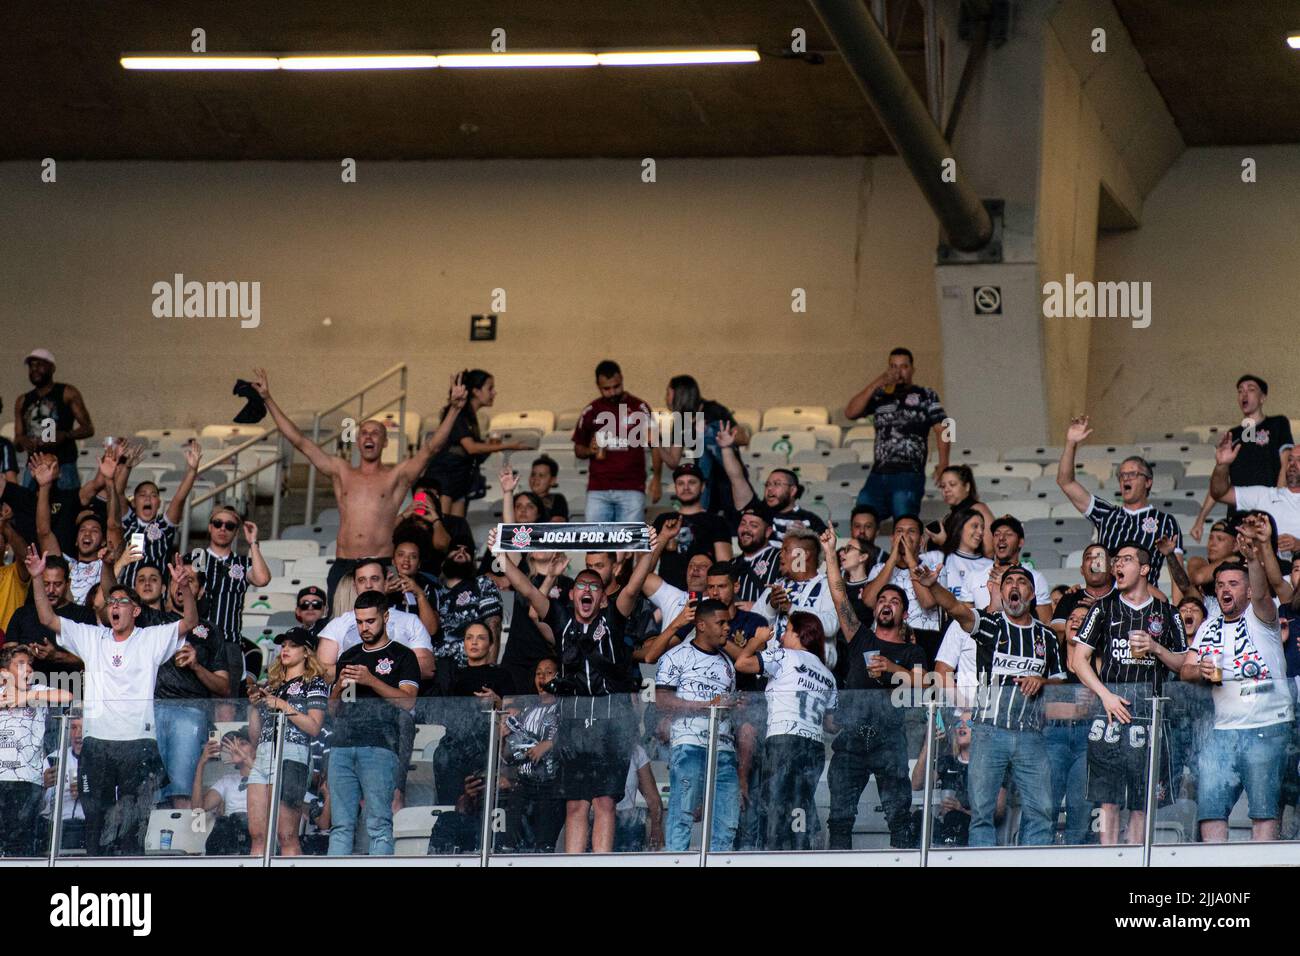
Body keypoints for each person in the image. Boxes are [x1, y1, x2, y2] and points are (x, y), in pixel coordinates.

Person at [489, 523, 659, 854]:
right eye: (581, 585)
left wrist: (650, 550)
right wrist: (501, 556)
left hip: (610, 724)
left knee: (605, 802)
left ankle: (601, 863)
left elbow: (634, 586)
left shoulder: (614, 619)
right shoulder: (561, 621)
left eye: (594, 587)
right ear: (572, 594)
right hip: (571, 725)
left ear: (602, 598)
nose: (587, 590)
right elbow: (527, 589)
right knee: (575, 805)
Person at [25, 547, 199, 856]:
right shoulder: (92, 636)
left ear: (135, 611)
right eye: (111, 602)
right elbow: (47, 617)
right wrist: (38, 578)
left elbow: (189, 622)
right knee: (96, 823)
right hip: (97, 743)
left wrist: (183, 586)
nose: (115, 606)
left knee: (133, 826)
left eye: (122, 602)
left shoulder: (151, 638)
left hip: (139, 742)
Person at [251, 367, 466, 601]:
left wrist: (454, 409)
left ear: (385, 442)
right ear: (357, 441)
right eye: (364, 433)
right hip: (344, 565)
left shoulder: (396, 476)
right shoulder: (340, 471)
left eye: (376, 433)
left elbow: (431, 448)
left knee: (378, 631)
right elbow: (300, 441)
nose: (369, 437)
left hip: (379, 565)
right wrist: (268, 399)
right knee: (342, 631)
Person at [911, 562, 1067, 846]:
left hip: (1031, 734)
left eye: (1022, 582)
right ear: (1002, 591)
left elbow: (1059, 682)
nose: (1015, 585)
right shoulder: (990, 624)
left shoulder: (1046, 636)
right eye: (1009, 581)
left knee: (1041, 812)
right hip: (988, 730)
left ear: (1032, 594)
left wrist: (1042, 682)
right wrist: (933, 585)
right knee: (981, 813)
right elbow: (957, 609)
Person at [1070, 543, 1185, 845]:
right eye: (1116, 560)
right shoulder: (1103, 607)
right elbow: (1077, 660)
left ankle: (1136, 859)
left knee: (1141, 800)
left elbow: (1185, 664)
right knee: (1108, 799)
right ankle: (1110, 860)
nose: (1117, 565)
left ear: (1145, 569)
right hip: (1109, 710)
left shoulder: (1167, 613)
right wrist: (1104, 695)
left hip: (1150, 713)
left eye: (1126, 560)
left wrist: (1157, 648)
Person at [820, 530, 925, 849]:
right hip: (850, 737)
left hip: (889, 738)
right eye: (882, 599)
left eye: (894, 601)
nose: (886, 604)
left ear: (905, 614)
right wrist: (829, 553)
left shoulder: (912, 652)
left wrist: (892, 669)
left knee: (899, 820)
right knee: (839, 820)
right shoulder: (861, 637)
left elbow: (921, 684)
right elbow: (840, 597)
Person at [1181, 553, 1293, 842]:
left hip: (1266, 727)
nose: (1225, 590)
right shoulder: (1208, 625)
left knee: (1263, 812)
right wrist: (1199, 670)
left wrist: (1254, 557)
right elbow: (1185, 670)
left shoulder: (1263, 618)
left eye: (1233, 583)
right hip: (1221, 730)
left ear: (1250, 590)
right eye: (1219, 585)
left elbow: (1264, 595)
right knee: (1211, 811)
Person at [734, 610, 838, 850]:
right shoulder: (827, 675)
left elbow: (742, 663)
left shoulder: (784, 656)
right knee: (801, 806)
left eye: (786, 630)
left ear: (800, 633)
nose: (781, 636)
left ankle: (774, 858)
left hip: (784, 740)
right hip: (814, 746)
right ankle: (800, 855)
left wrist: (758, 640)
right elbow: (831, 725)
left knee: (775, 806)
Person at [326, 590, 420, 856]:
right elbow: (334, 710)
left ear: (386, 617)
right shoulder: (349, 655)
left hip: (380, 747)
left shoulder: (404, 656)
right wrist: (337, 689)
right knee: (340, 825)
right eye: (359, 621)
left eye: (370, 621)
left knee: (378, 824)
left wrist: (371, 681)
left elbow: (408, 702)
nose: (364, 627)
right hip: (342, 745)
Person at [654, 598, 740, 852]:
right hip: (689, 745)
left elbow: (726, 705)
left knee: (727, 821)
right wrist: (706, 706)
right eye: (720, 623)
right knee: (682, 813)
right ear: (701, 625)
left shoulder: (728, 664)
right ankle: (675, 861)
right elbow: (662, 700)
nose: (727, 628)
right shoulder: (675, 656)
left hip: (724, 748)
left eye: (728, 623)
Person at [1056, 416, 1182, 585]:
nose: (1126, 479)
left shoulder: (1166, 521)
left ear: (1148, 482)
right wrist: (1071, 442)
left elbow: (1178, 573)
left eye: (1132, 474)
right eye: (1122, 475)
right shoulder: (1106, 513)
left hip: (1144, 602)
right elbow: (1066, 482)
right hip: (1105, 600)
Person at [246, 627, 328, 857]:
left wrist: (283, 706)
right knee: (257, 834)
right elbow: (255, 736)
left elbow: (314, 726)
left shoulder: (315, 682)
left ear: (306, 652)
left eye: (293, 645)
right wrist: (254, 706)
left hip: (293, 755)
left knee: (286, 835)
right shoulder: (272, 685)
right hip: (263, 754)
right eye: (283, 645)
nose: (285, 649)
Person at [844, 348, 951, 520]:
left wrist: (944, 462)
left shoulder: (926, 395)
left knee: (905, 523)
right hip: (878, 473)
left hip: (909, 473)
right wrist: (878, 381)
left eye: (903, 366)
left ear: (912, 369)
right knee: (862, 517)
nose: (898, 372)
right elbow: (850, 413)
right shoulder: (879, 395)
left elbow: (946, 426)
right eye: (893, 367)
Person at [1192, 375, 1293, 541]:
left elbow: (1285, 462)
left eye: (1251, 390)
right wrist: (1200, 519)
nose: (1244, 394)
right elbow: (1219, 480)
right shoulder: (1234, 435)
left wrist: (1278, 501)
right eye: (1240, 391)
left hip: (1267, 511)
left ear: (1262, 397)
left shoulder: (1277, 423)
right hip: (1238, 512)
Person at [419, 369, 530, 518]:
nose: (494, 393)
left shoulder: (472, 417)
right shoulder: (459, 414)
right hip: (444, 478)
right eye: (490, 388)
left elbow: (474, 455)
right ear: (476, 391)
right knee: (442, 526)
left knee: (457, 529)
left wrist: (490, 446)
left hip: (460, 480)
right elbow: (471, 448)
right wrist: (508, 446)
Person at [0, 644, 73, 856]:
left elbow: (67, 695)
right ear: (5, 671)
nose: (29, 669)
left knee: (20, 847)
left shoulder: (37, 691)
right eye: (20, 664)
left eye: (30, 665)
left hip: (28, 781)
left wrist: (25, 698)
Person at [316, 559, 435, 684]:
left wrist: (373, 675)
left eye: (375, 578)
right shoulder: (338, 624)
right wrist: (365, 675)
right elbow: (322, 671)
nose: (368, 585)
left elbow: (427, 669)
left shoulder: (410, 621)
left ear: (385, 583)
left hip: (397, 698)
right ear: (354, 586)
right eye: (361, 580)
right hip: (351, 697)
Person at [572, 359, 654, 523]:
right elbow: (578, 449)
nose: (612, 392)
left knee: (629, 545)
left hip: (632, 487)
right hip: (598, 489)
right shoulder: (591, 410)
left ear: (622, 379)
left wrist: (657, 478)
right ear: (598, 386)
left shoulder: (639, 407)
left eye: (616, 386)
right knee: (596, 543)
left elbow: (656, 445)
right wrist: (590, 451)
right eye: (606, 389)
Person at [651, 374, 747, 513]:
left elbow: (744, 438)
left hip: (728, 478)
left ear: (680, 395)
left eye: (668, 393)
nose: (665, 398)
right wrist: (656, 441)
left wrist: (720, 436)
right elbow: (673, 461)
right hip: (705, 482)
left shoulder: (713, 410)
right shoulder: (680, 422)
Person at [498, 657, 565, 853]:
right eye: (538, 673)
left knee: (545, 844)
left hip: (552, 786)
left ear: (559, 676)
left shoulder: (566, 708)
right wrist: (502, 738)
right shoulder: (525, 711)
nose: (542, 677)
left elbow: (574, 736)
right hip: (523, 784)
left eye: (548, 672)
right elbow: (510, 756)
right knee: (510, 843)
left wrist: (550, 744)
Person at [716, 424, 827, 541]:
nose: (770, 489)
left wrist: (806, 539)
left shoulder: (810, 520)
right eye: (767, 484)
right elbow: (736, 478)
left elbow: (827, 551)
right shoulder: (756, 512)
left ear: (792, 490)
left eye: (777, 484)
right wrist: (726, 448)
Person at [116, 440, 201, 588]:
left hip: (156, 597)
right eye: (142, 495)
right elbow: (117, 493)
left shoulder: (164, 526)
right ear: (134, 502)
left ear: (159, 503)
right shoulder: (129, 521)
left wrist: (192, 470)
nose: (148, 498)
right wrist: (127, 466)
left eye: (153, 495)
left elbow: (179, 498)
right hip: (128, 593)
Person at [751, 528, 841, 668]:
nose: (780, 555)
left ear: (803, 555)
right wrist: (772, 606)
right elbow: (753, 626)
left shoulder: (827, 585)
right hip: (773, 672)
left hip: (813, 672)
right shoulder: (776, 586)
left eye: (786, 550)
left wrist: (791, 607)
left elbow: (831, 626)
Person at [861, 516, 944, 663]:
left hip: (924, 640)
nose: (904, 536)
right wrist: (892, 559)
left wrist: (910, 559)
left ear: (921, 540)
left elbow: (928, 602)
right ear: (893, 539)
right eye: (900, 531)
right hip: (885, 639)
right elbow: (868, 601)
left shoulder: (933, 568)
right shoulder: (879, 569)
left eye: (911, 531)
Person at [1210, 433, 1300, 559]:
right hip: (1264, 574)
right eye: (1290, 459)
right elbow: (1220, 493)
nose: (1292, 464)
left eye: (1299, 460)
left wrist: (1299, 545)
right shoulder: (1265, 495)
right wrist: (1222, 465)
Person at [14, 349, 93, 491]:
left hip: (63, 465)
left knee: (67, 508)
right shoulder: (22, 400)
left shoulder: (67, 392)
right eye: (31, 366)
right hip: (33, 467)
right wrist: (23, 441)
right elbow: (17, 441)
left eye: (40, 364)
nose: (34, 369)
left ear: (52, 368)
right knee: (28, 509)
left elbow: (88, 428)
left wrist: (65, 435)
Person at [651, 463, 732, 590]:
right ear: (675, 488)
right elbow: (646, 566)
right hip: (666, 595)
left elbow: (725, 568)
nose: (686, 487)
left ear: (703, 487)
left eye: (692, 482)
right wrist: (664, 537)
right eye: (681, 483)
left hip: (704, 594)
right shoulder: (662, 519)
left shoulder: (717, 521)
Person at [197, 506, 271, 642]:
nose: (222, 528)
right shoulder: (196, 556)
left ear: (236, 532)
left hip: (229, 640)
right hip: (197, 639)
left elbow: (262, 579)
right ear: (210, 527)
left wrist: (253, 542)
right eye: (218, 523)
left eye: (230, 526)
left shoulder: (243, 563)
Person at [190, 728, 255, 855]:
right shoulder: (227, 780)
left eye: (242, 743)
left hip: (255, 831)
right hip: (230, 834)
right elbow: (197, 808)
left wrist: (247, 759)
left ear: (255, 749)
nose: (236, 748)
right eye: (232, 745)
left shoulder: (266, 775)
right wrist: (201, 763)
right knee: (223, 826)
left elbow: (269, 789)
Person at [1049, 544, 1115, 638]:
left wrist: (1099, 612)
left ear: (1111, 568)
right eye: (1088, 558)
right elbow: (1058, 630)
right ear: (1082, 570)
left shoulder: (1122, 598)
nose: (1093, 561)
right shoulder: (1070, 596)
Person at [41, 715, 85, 852]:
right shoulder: (53, 759)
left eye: (82, 728)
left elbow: (113, 801)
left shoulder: (101, 759)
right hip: (54, 825)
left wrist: (86, 792)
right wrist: (42, 786)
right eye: (73, 728)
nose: (78, 734)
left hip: (87, 825)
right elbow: (39, 806)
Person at [928, 466, 995, 554]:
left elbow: (988, 550)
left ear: (967, 486)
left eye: (952, 484)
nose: (946, 490)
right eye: (943, 486)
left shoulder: (979, 509)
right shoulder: (949, 516)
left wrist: (944, 543)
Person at [729, 506, 782, 605]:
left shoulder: (781, 559)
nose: (745, 529)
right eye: (742, 523)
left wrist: (758, 609)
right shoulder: (731, 564)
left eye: (753, 525)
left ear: (768, 532)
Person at [528, 456, 570, 520]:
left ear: (552, 480)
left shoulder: (557, 499)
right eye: (533, 474)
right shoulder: (522, 498)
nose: (535, 478)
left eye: (541, 475)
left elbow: (557, 524)